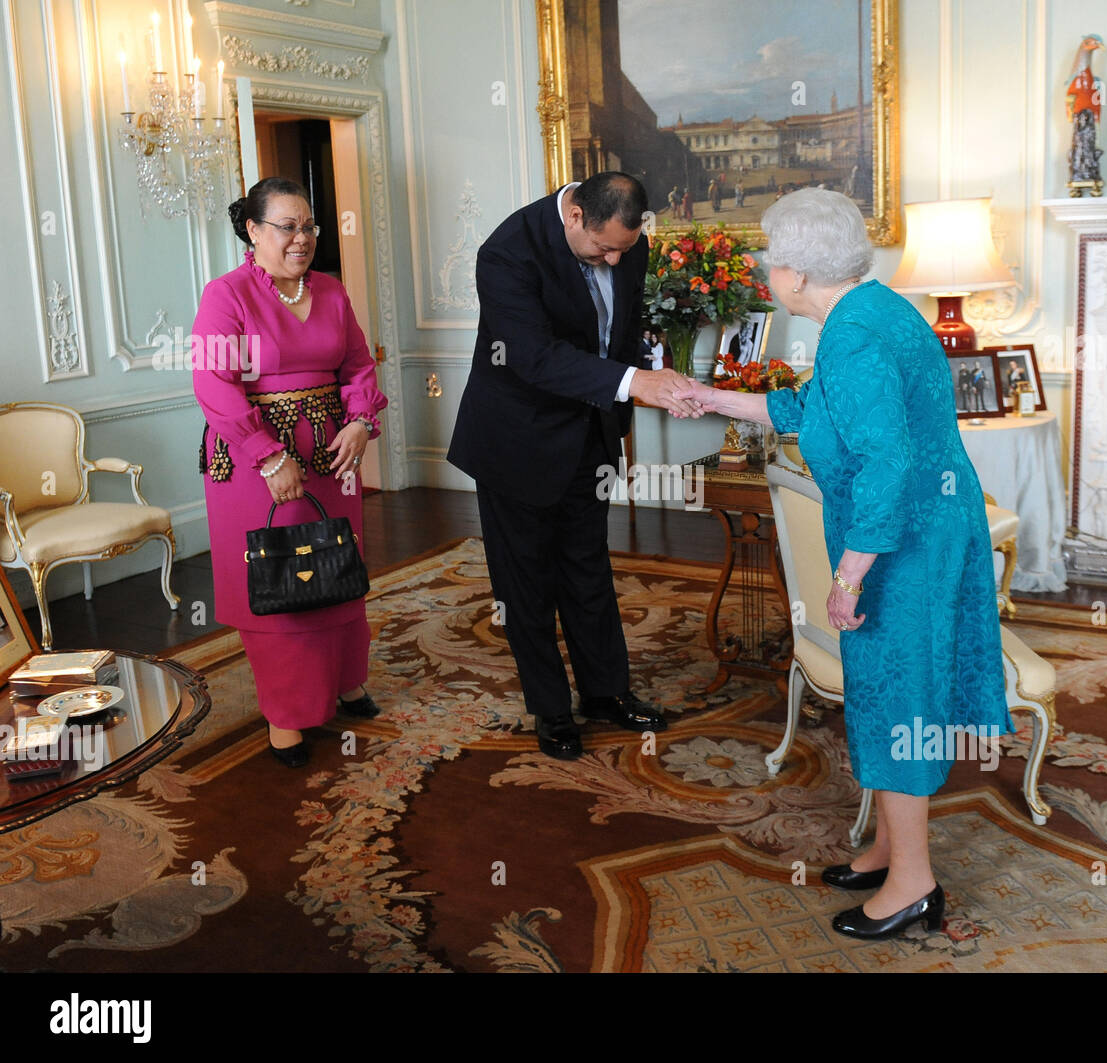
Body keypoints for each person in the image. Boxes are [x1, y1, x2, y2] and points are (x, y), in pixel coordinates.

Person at [677, 188, 1011, 941]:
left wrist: (850, 574)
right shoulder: (871, 312)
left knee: (900, 700)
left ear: (796, 272)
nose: (766, 275)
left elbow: (888, 464)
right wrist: (710, 397)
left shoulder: (854, 336)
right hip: (918, 529)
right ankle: (892, 849)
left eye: (770, 262)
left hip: (903, 544)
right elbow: (807, 414)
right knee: (889, 689)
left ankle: (915, 883)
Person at [448, 172, 701, 761]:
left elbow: (620, 333)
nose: (615, 258)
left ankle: (607, 693)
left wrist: (654, 381)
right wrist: (638, 384)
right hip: (516, 440)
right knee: (526, 583)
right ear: (575, 215)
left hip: (589, 435)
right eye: (603, 247)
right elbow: (533, 358)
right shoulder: (507, 252)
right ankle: (551, 710)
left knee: (588, 571)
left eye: (624, 248)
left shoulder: (626, 243)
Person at [193, 177, 389, 768]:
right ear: (252, 231)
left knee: (336, 561)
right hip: (256, 461)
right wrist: (269, 456)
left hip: (333, 453)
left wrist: (360, 422)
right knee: (282, 575)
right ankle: (287, 716)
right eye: (287, 226)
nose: (301, 238)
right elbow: (212, 384)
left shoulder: (330, 289)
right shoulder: (225, 295)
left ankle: (347, 680)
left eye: (309, 226)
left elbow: (358, 363)